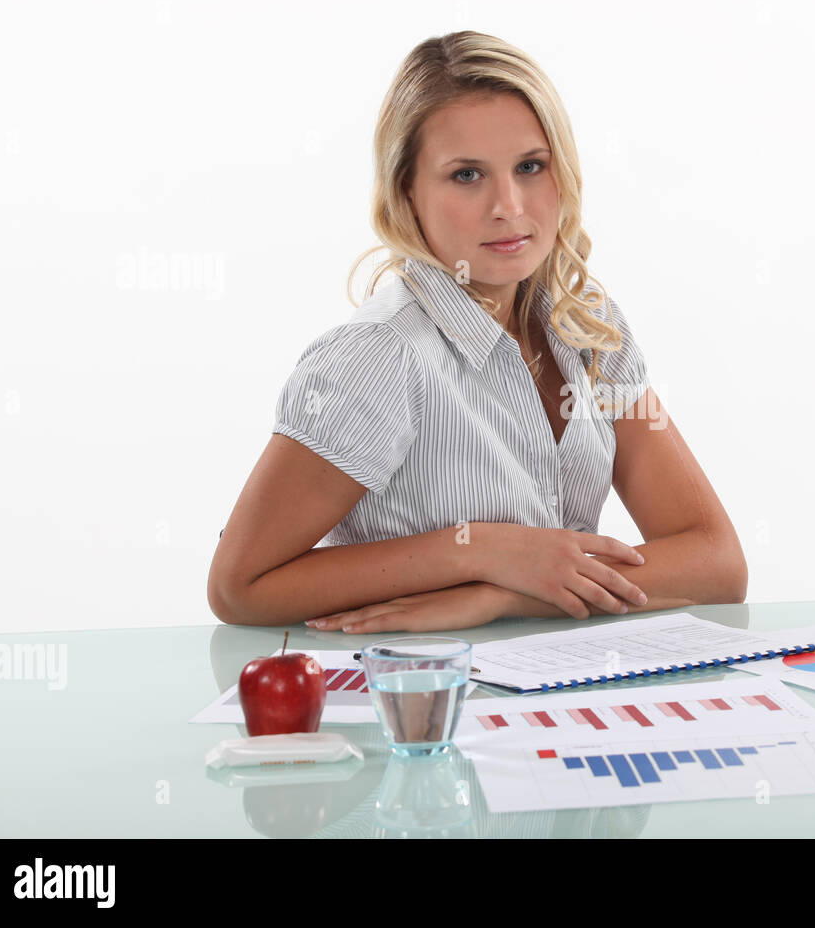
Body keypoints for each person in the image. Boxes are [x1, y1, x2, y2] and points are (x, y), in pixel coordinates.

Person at [207, 31, 746, 633]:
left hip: (558, 690)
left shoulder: (585, 324)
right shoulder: (379, 356)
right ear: (406, 191)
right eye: (466, 175)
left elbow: (715, 563)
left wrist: (506, 595)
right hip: (421, 695)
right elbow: (239, 588)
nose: (509, 206)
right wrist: (479, 549)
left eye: (530, 167)